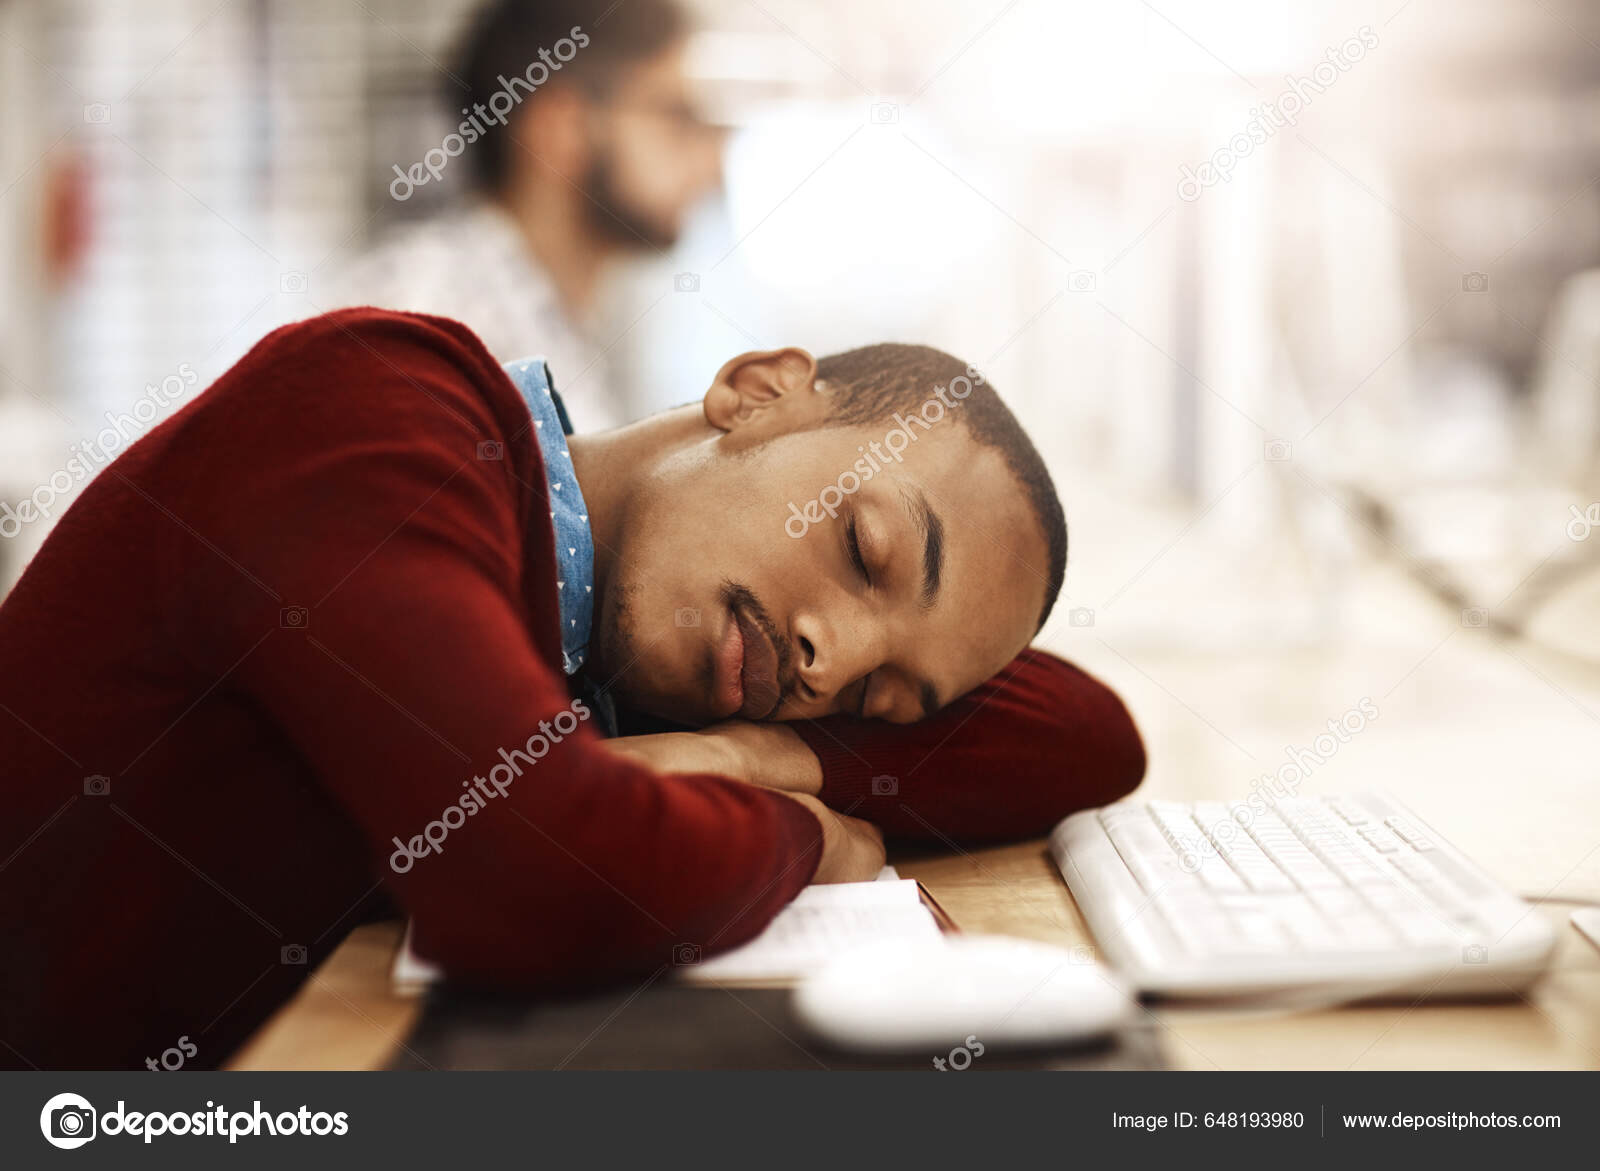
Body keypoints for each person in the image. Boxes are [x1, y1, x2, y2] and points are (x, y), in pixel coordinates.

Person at [0, 308, 1144, 1070]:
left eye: (883, 696)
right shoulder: (378, 410)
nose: (828, 663)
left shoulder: (639, 665)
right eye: (863, 548)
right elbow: (535, 868)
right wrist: (800, 830)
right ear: (756, 392)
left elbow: (1087, 738)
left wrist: (757, 756)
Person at [331, 0, 720, 431]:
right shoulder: (419, 325)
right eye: (678, 118)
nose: (714, 164)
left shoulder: (553, 323)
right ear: (559, 126)